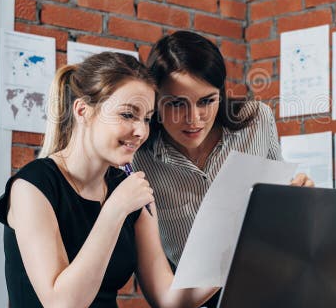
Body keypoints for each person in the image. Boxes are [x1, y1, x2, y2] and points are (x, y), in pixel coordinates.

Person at [0, 52, 217, 308]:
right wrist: (114, 210)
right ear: (83, 111)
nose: (140, 131)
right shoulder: (32, 187)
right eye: (127, 115)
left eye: (146, 118)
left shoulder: (126, 188)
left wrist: (229, 259)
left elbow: (168, 298)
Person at [134, 31, 314, 269]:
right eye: (177, 104)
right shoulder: (138, 154)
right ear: (155, 99)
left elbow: (280, 203)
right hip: (190, 296)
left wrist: (300, 198)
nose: (194, 118)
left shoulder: (256, 121)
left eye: (207, 101)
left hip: (267, 272)